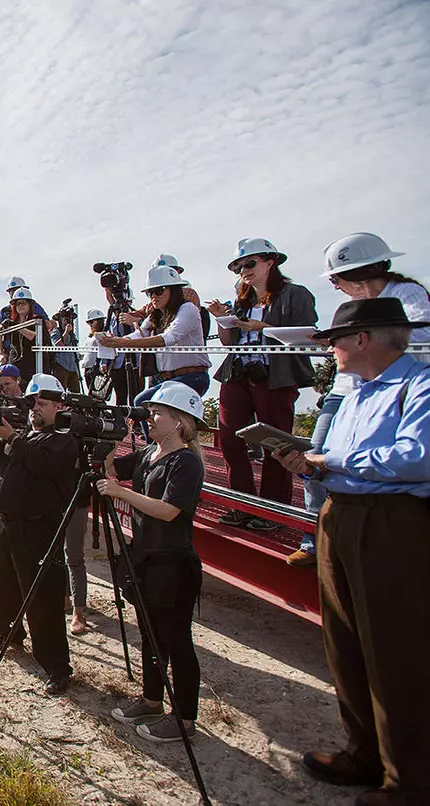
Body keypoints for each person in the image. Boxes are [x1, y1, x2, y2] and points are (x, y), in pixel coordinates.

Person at [272, 298, 430, 806]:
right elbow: (343, 461)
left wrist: (330, 458)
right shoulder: (356, 393)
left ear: (362, 339)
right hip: (340, 514)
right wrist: (309, 464)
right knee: (345, 642)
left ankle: (411, 781)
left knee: (395, 650)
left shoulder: (419, 384)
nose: (330, 350)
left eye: (335, 341)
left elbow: (416, 457)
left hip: (391, 523)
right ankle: (364, 751)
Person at [289, 233, 430, 566]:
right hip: (346, 391)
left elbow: (416, 335)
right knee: (315, 457)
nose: (335, 286)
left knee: (334, 458)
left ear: (358, 272)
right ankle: (315, 535)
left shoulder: (407, 294)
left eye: (336, 278)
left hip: (389, 389)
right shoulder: (352, 308)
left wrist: (368, 334)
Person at [97, 381, 207, 744]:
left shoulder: (186, 461)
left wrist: (122, 493)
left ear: (180, 422)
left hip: (172, 562)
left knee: (177, 640)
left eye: (158, 413)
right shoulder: (149, 454)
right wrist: (116, 434)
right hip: (144, 556)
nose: (151, 417)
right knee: (149, 634)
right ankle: (151, 699)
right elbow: (111, 469)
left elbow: (169, 510)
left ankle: (185, 718)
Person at [206, 238, 318, 531]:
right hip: (238, 375)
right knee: (231, 439)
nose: (244, 270)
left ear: (271, 262)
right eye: (239, 266)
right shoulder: (242, 303)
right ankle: (242, 503)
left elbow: (309, 336)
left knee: (275, 444)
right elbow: (231, 344)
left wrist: (263, 328)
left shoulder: (296, 295)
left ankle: (273, 510)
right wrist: (222, 320)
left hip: (274, 378)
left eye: (250, 263)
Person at [0, 373, 77, 696]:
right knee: (5, 585)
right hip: (5, 523)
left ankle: (57, 667)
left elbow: (41, 465)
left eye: (43, 404)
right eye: (33, 402)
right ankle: (8, 633)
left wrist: (12, 437)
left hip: (38, 527)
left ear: (60, 406)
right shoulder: (23, 433)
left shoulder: (63, 438)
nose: (36, 408)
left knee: (43, 598)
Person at [98, 264, 211, 410]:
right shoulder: (156, 314)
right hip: (169, 379)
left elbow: (167, 339)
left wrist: (120, 343)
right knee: (142, 403)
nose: (153, 297)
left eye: (158, 291)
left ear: (174, 290)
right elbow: (139, 334)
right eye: (150, 293)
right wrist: (115, 341)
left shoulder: (187, 309)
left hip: (192, 377)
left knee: (156, 408)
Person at [0, 286, 53, 381]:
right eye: (18, 304)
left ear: (30, 305)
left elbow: (35, 338)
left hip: (35, 364)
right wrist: (1, 328)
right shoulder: (10, 321)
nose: (20, 306)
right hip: (16, 364)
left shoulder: (38, 320)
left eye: (24, 303)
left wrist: (16, 327)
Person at [50, 313, 82, 393]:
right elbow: (58, 345)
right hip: (61, 365)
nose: (66, 322)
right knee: (60, 392)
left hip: (73, 367)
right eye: (64, 319)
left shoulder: (72, 334)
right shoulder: (56, 331)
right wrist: (66, 332)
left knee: (76, 393)